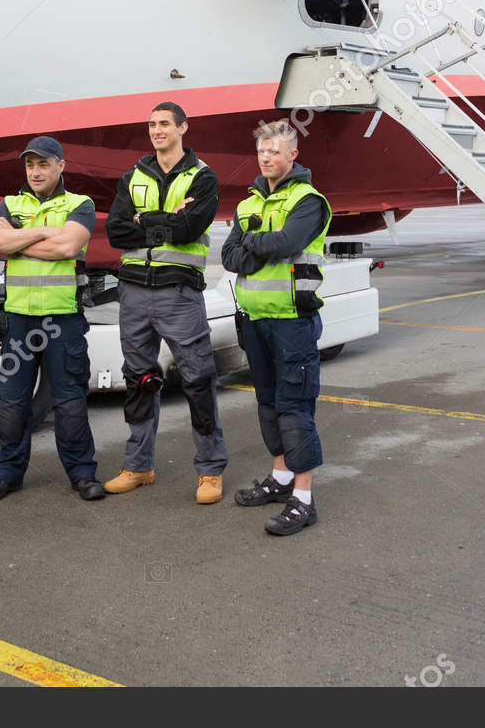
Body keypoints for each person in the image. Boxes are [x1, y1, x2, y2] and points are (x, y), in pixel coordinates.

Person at [103, 102, 227, 503]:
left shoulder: (202, 178)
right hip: (134, 291)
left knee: (197, 380)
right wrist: (162, 222)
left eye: (164, 124)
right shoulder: (132, 176)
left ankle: (210, 471)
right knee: (139, 379)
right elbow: (117, 233)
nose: (157, 130)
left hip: (179, 292)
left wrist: (144, 221)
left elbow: (191, 226)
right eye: (152, 124)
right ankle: (138, 466)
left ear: (182, 128)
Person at [0, 136, 105, 503]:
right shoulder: (8, 203)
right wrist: (46, 231)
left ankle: (82, 474)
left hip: (62, 320)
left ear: (60, 166)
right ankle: (7, 474)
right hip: (19, 320)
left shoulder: (80, 204)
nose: (35, 171)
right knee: (13, 403)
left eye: (44, 164)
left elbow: (68, 247)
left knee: (70, 403)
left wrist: (18, 236)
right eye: (30, 164)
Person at [220, 119, 331, 536]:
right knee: (268, 404)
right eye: (262, 151)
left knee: (295, 409)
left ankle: (303, 499)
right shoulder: (248, 203)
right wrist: (256, 247)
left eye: (275, 151)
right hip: (254, 320)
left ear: (292, 155)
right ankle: (281, 477)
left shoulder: (308, 200)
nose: (267, 158)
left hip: (291, 323)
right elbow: (230, 256)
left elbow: (286, 245)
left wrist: (252, 245)